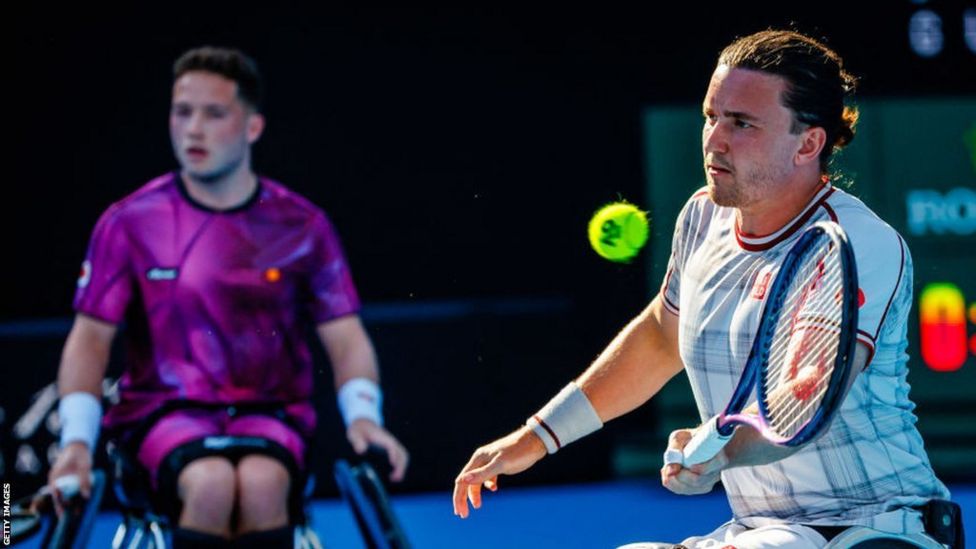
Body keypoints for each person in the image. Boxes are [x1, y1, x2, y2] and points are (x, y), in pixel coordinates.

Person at [453, 29, 951, 548]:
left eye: (742, 123)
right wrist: (536, 438)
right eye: (711, 116)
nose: (715, 139)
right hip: (765, 530)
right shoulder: (703, 216)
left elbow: (808, 389)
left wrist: (719, 445)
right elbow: (659, 339)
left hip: (879, 526)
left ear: (808, 142)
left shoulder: (857, 243)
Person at [48, 46, 409, 548]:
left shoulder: (303, 225)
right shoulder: (129, 222)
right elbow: (89, 341)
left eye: (214, 114)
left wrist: (366, 419)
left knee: (263, 484)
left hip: (273, 415)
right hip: (165, 416)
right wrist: (75, 445)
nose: (193, 129)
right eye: (182, 111)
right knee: (211, 483)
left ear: (252, 128)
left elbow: (347, 339)